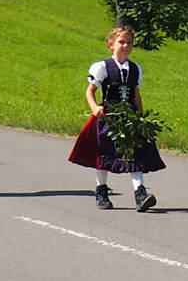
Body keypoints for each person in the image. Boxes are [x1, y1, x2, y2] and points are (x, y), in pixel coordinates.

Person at [69, 22, 162, 210]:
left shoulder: (135, 69)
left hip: (130, 118)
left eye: (129, 42)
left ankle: (140, 193)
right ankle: (101, 190)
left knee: (134, 153)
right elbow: (90, 91)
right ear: (111, 44)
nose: (126, 46)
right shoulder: (103, 67)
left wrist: (140, 117)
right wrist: (95, 107)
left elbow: (136, 94)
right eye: (121, 42)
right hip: (109, 116)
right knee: (105, 153)